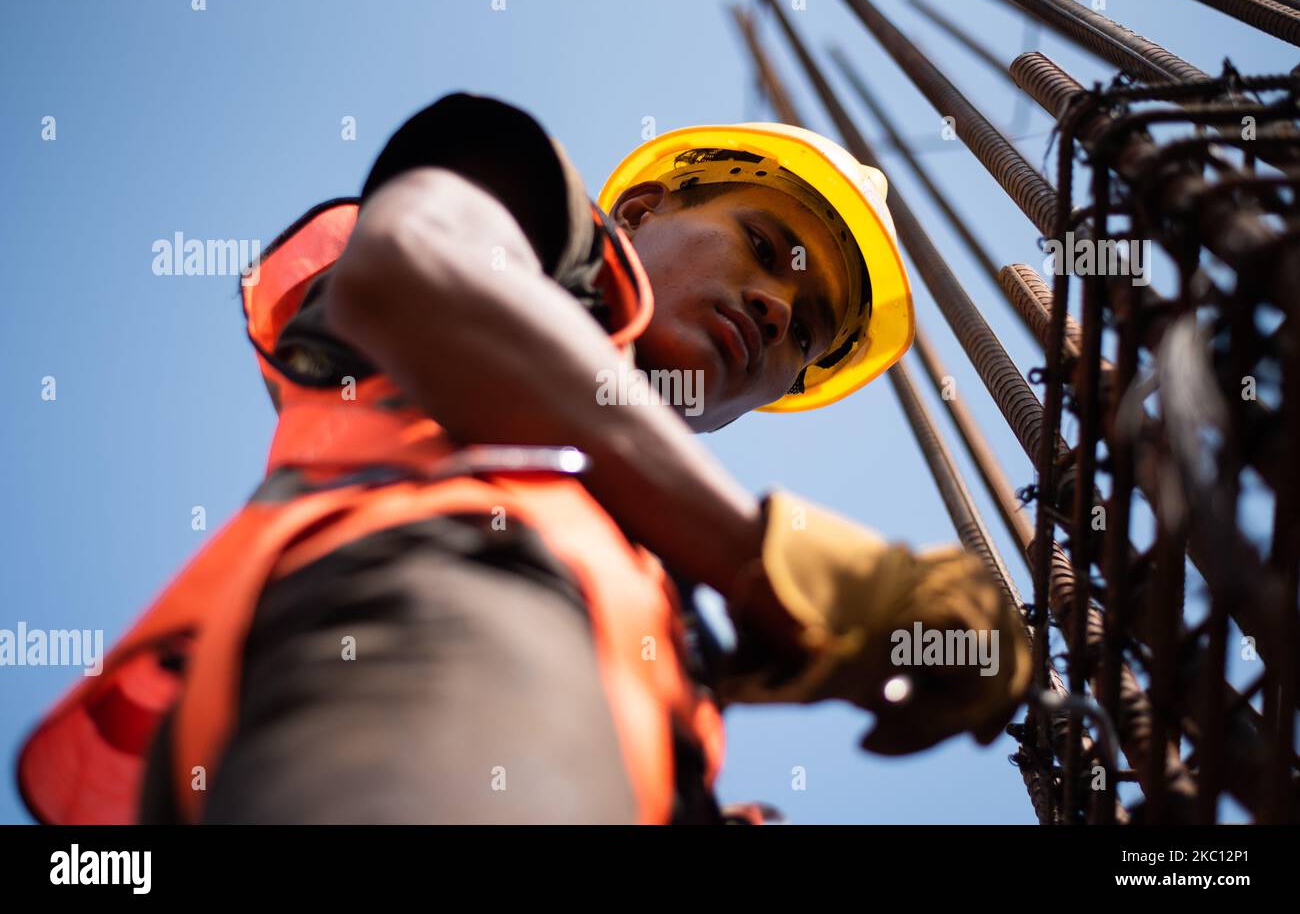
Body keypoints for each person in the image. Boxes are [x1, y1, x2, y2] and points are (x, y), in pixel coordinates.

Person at [17, 93, 1030, 825]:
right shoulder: (528, 230)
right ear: (638, 215)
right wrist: (777, 564)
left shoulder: (657, 568)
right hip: (414, 625)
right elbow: (408, 273)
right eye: (763, 247)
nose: (776, 311)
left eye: (806, 331)